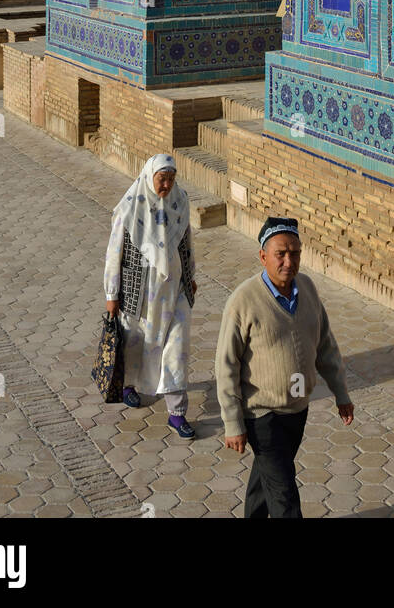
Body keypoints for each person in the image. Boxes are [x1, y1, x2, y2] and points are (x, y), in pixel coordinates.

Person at [215, 216, 354, 517]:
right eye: (281, 253)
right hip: (262, 414)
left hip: (297, 410)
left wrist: (341, 393)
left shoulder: (307, 289)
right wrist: (232, 423)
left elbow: (325, 345)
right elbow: (226, 366)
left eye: (295, 253)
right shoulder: (243, 301)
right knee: (285, 497)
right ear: (263, 256)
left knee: (267, 481)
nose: (289, 261)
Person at [104, 153, 197, 438]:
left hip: (174, 292)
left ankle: (176, 412)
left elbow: (187, 241)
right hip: (139, 293)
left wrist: (191, 277)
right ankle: (130, 384)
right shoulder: (131, 208)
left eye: (171, 178)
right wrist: (111, 293)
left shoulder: (179, 202)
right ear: (149, 177)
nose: (167, 184)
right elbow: (114, 252)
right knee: (136, 342)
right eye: (161, 178)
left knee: (176, 350)